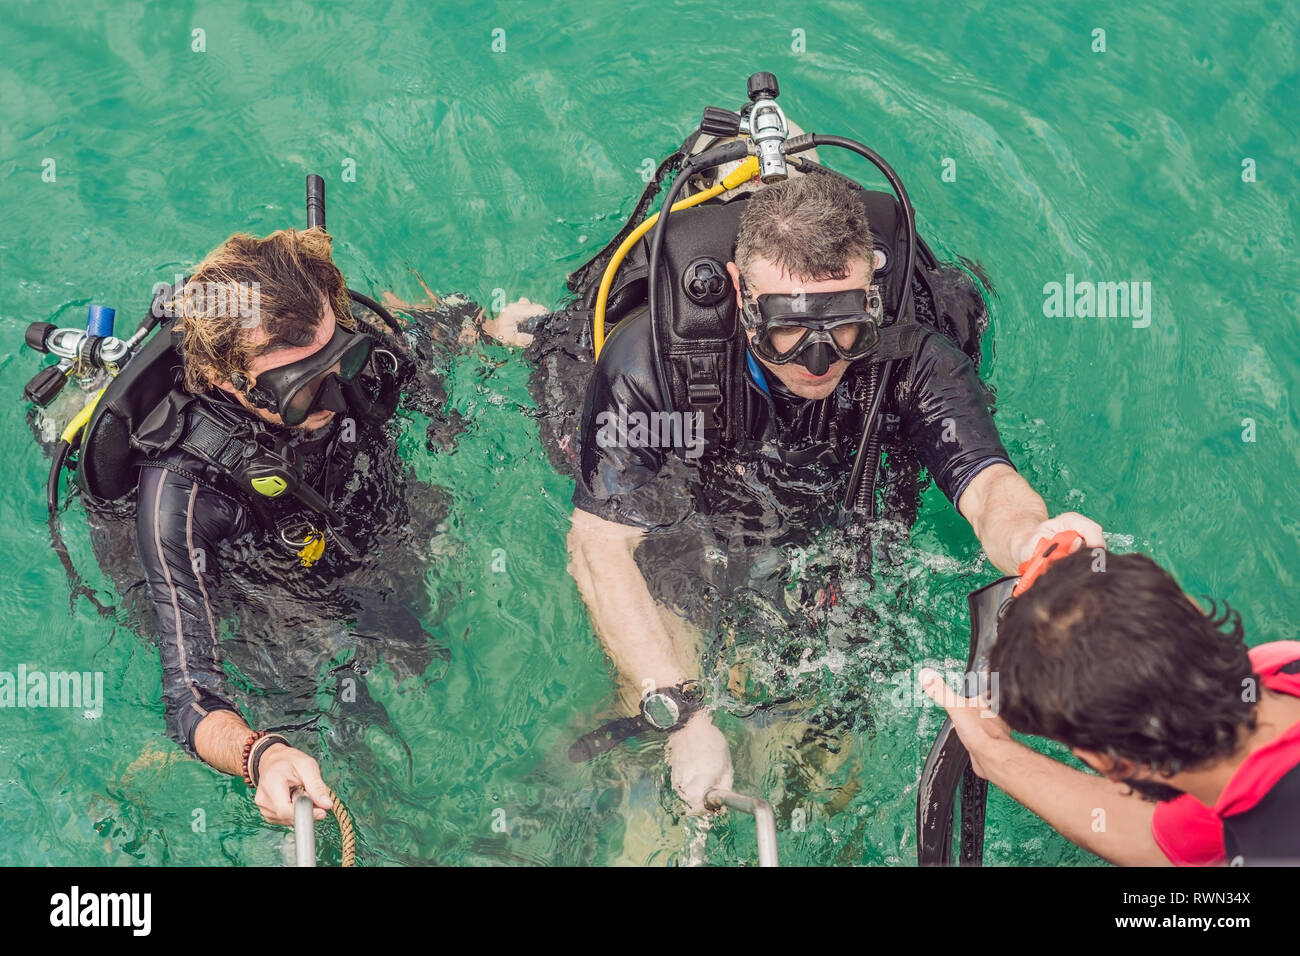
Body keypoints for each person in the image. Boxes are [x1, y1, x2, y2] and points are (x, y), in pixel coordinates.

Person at [547, 167, 1105, 815]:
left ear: (872, 285)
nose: (818, 360)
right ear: (739, 292)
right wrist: (683, 717)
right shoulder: (652, 358)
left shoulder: (917, 358)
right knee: (665, 700)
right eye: (789, 329)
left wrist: (1032, 540)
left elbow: (987, 486)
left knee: (823, 764)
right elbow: (600, 546)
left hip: (828, 495)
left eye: (844, 328)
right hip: (689, 479)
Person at [54, 223, 535, 826]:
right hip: (264, 586)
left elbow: (433, 332)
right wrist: (262, 753)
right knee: (332, 746)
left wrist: (490, 330)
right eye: (302, 390)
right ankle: (147, 772)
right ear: (228, 380)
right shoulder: (179, 499)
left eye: (342, 361)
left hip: (358, 522)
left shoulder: (347, 352)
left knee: (433, 645)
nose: (337, 396)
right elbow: (191, 695)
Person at [922, 549, 1300, 866]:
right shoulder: (1278, 666)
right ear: (1192, 611)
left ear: (1109, 764)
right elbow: (1163, 839)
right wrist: (993, 755)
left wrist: (993, 754)